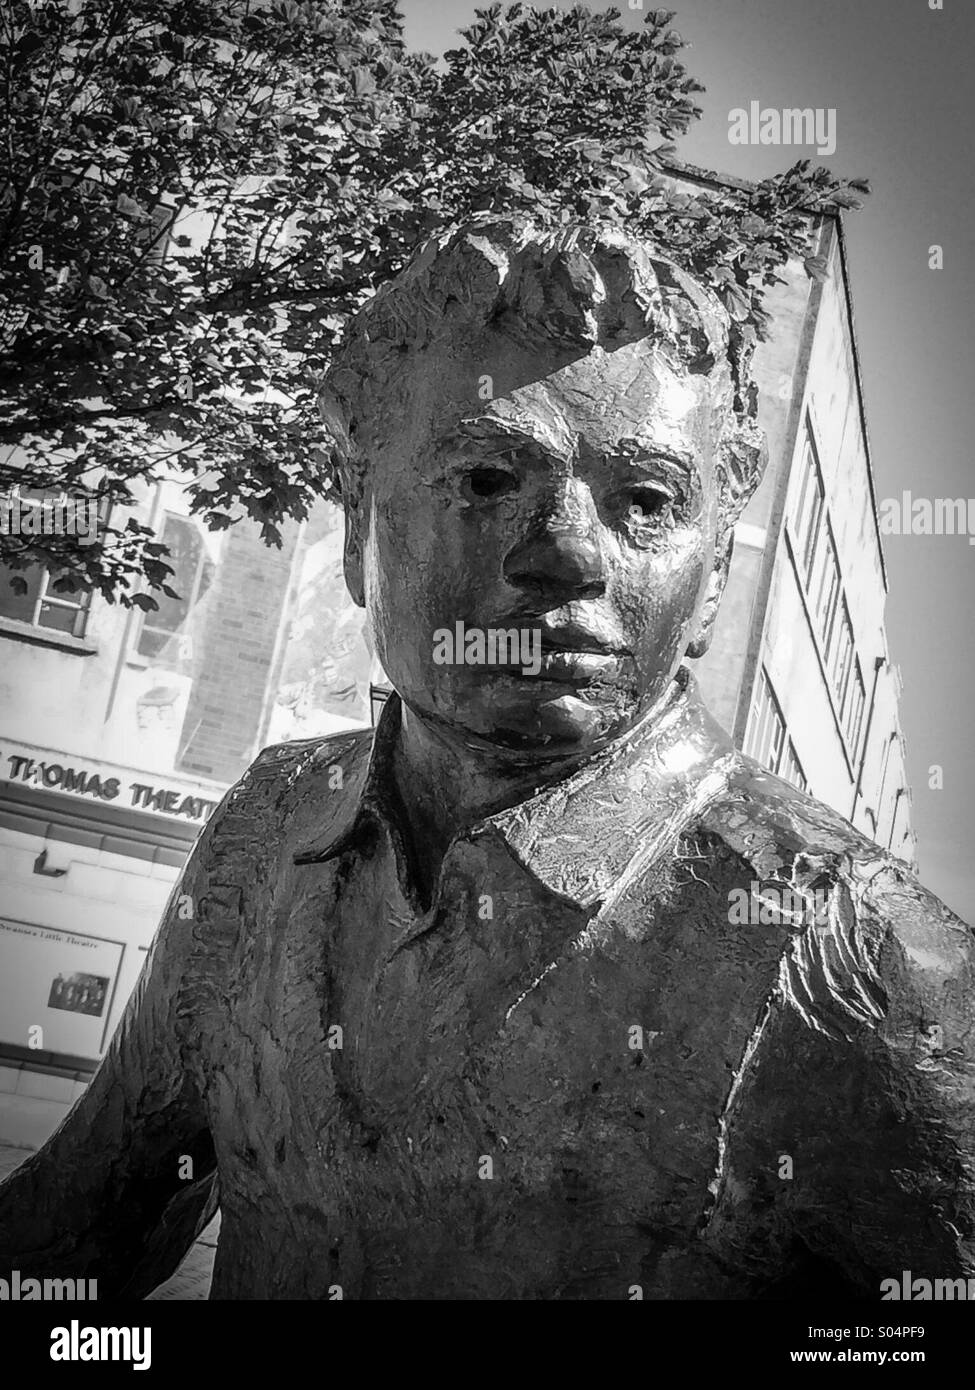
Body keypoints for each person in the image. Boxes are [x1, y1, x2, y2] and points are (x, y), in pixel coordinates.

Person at [1, 217, 972, 1300]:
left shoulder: (855, 954)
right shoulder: (267, 831)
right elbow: (71, 1245)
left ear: (710, 591)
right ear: (361, 525)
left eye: (646, 502)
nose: (567, 552)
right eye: (484, 477)